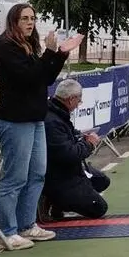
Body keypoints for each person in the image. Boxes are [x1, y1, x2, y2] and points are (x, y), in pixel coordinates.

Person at [0, 3, 82, 251]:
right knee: (14, 177)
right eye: (24, 18)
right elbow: (29, 77)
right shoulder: (5, 46)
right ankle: (6, 232)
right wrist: (50, 53)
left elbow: (46, 77)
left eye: (32, 18)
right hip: (15, 120)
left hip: (35, 118)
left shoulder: (30, 46)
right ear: (14, 21)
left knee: (37, 173)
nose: (30, 22)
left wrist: (60, 53)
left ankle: (26, 224)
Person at [41, 78, 110, 221]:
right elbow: (69, 154)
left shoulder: (58, 113)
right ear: (71, 99)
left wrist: (79, 137)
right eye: (79, 101)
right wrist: (89, 144)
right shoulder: (53, 121)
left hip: (68, 171)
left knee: (102, 180)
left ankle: (62, 201)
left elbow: (67, 141)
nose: (79, 105)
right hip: (59, 176)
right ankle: (54, 199)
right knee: (99, 208)